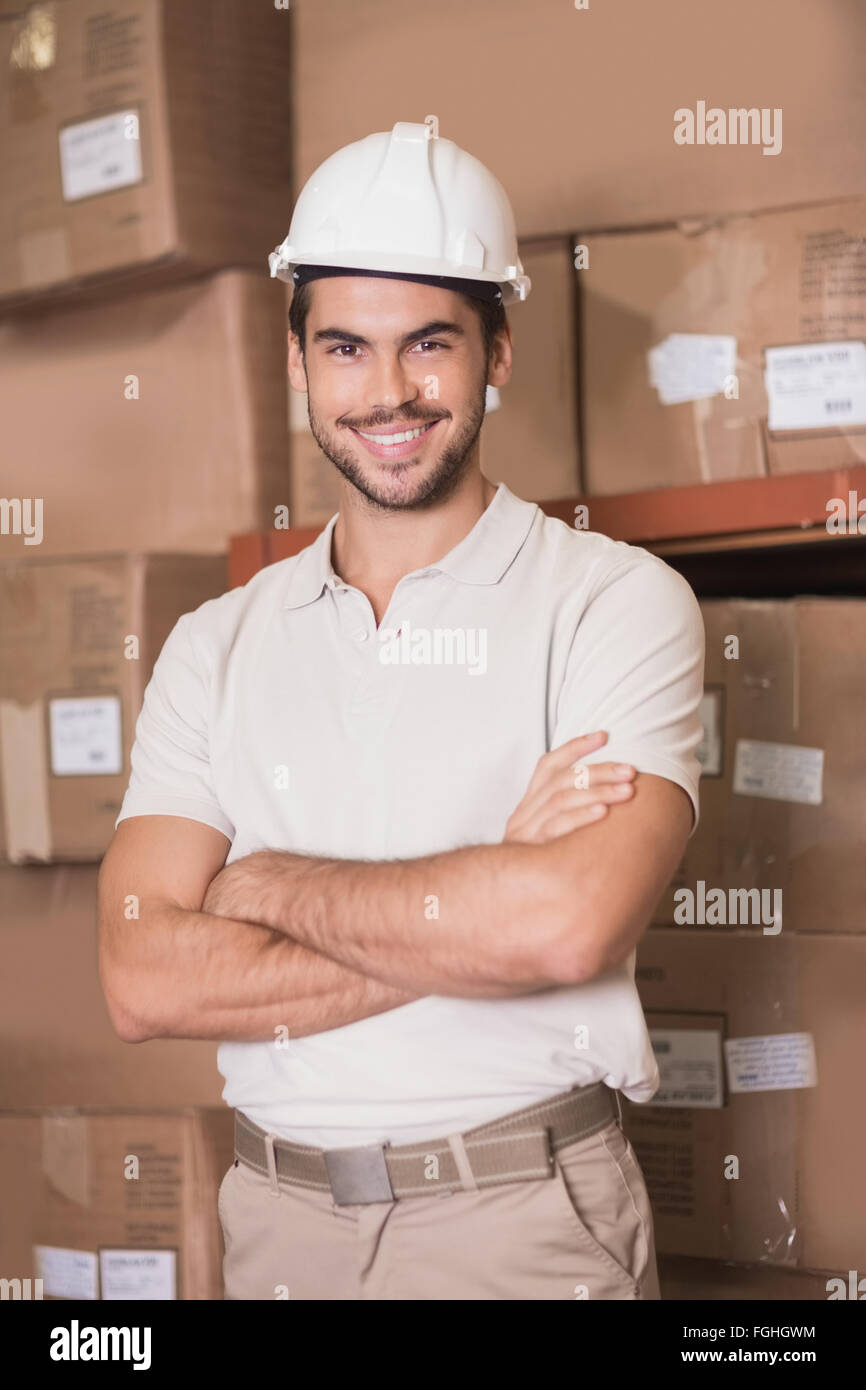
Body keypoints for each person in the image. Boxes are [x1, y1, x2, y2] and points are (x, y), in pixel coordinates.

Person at [98, 120, 705, 1301]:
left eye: (428, 343)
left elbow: (562, 929)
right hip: (275, 1227)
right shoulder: (213, 646)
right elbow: (141, 977)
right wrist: (478, 889)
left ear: (498, 351)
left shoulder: (614, 602)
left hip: (517, 1221)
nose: (386, 393)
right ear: (296, 365)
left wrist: (262, 885)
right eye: (344, 348)